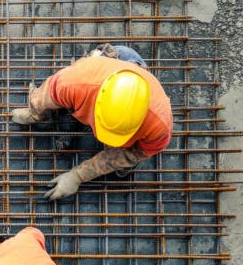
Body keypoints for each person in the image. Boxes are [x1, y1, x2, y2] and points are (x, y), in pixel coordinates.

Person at [10, 44, 173, 200]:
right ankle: (69, 115)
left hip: (132, 71)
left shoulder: (160, 126)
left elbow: (132, 153)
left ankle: (76, 120)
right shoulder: (74, 83)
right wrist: (34, 113)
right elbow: (45, 96)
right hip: (109, 65)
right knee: (65, 104)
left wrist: (78, 175)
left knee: (123, 161)